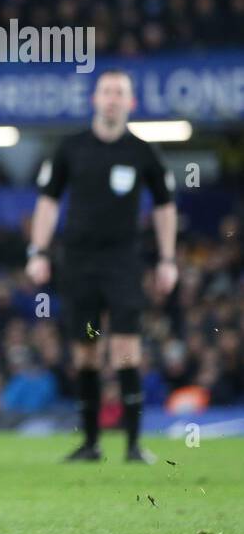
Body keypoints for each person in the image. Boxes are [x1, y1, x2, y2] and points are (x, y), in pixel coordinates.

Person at [26, 68, 177, 464]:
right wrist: (38, 251)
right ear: (95, 99)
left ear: (131, 103)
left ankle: (133, 445)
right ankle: (90, 444)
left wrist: (167, 259)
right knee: (86, 352)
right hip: (78, 263)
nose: (112, 98)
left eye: (119, 93)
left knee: (127, 349)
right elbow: (48, 201)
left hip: (124, 263)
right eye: (106, 91)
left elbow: (165, 206)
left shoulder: (143, 152)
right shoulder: (71, 148)